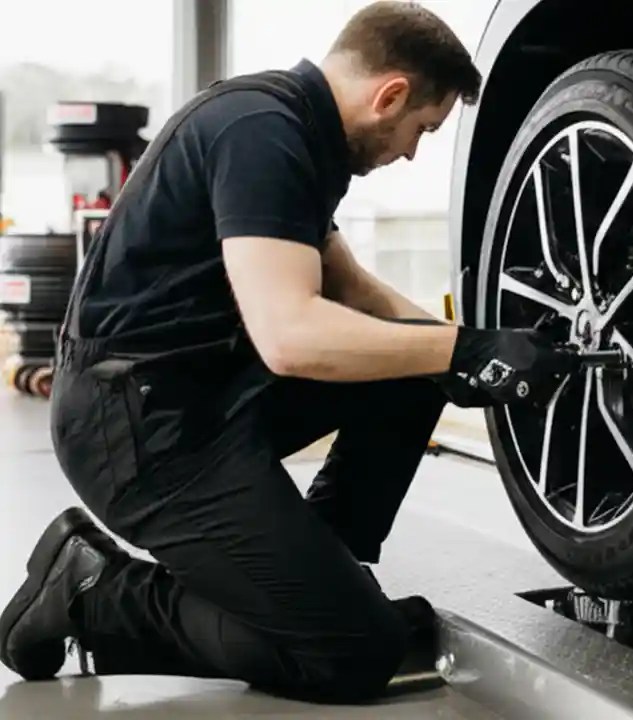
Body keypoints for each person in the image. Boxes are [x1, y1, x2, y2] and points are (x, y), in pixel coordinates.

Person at [0, 1, 577, 704]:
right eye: (420, 130)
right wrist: (457, 349)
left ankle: (322, 576)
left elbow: (353, 288)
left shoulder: (292, 131)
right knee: (355, 655)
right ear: (389, 95)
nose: (411, 153)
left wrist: (473, 356)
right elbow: (291, 336)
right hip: (137, 432)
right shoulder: (261, 134)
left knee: (416, 366)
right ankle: (94, 590)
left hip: (197, 396)